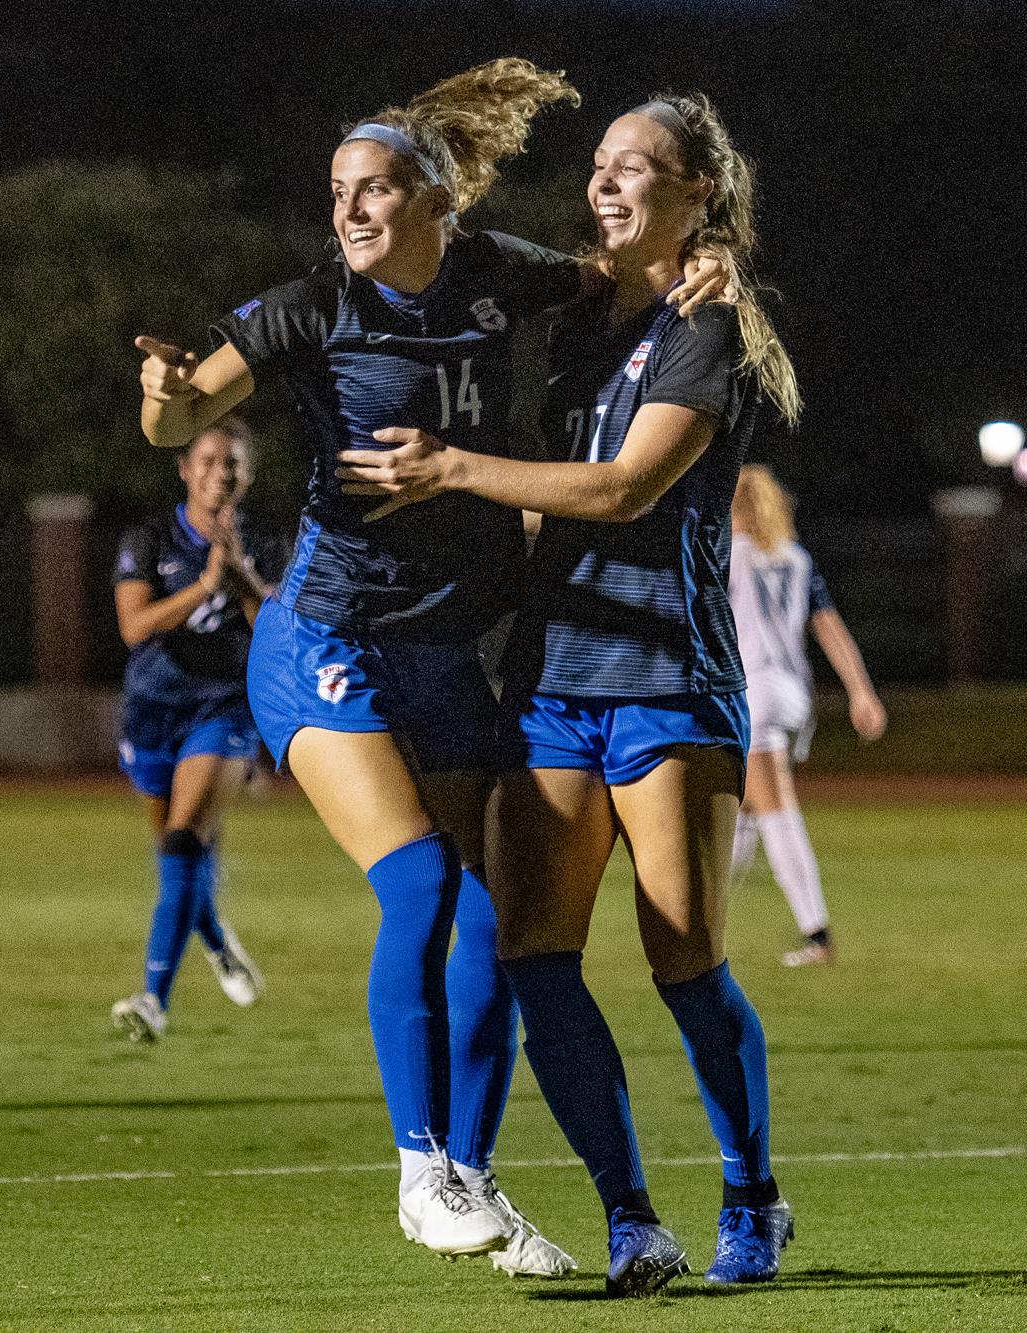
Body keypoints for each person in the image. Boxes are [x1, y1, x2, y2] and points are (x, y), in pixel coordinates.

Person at [129, 59, 723, 1276]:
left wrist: (701, 270)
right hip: (326, 637)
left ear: (436, 202)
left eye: (375, 189)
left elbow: (617, 273)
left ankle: (474, 1178)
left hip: (445, 647)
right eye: (337, 190)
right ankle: (419, 1171)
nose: (348, 210)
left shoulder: (495, 274)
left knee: (496, 924)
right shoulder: (307, 306)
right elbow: (183, 417)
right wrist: (162, 398)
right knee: (420, 887)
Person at [340, 90, 801, 1298]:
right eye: (597, 165)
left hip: (664, 677)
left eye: (634, 168)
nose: (603, 183)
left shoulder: (713, 329)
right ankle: (630, 1218)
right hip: (552, 675)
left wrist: (449, 468)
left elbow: (621, 489)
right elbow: (467, 260)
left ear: (697, 191)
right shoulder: (589, 306)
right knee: (539, 955)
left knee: (682, 958)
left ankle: (751, 1194)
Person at [109, 418, 274, 1043]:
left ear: (247, 475)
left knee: (183, 841)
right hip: (152, 710)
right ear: (185, 470)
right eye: (207, 461)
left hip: (224, 710)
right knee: (178, 854)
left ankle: (152, 1000)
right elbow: (134, 627)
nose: (219, 473)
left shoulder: (266, 544)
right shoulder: (149, 537)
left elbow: (278, 634)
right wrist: (206, 584)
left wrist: (244, 581)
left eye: (232, 463)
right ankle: (216, 939)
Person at [726, 464, 886, 966]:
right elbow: (829, 627)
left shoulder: (724, 555)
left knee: (773, 809)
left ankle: (816, 933)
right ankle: (706, 921)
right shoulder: (795, 558)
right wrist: (861, 690)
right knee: (741, 806)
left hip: (751, 690)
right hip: (793, 692)